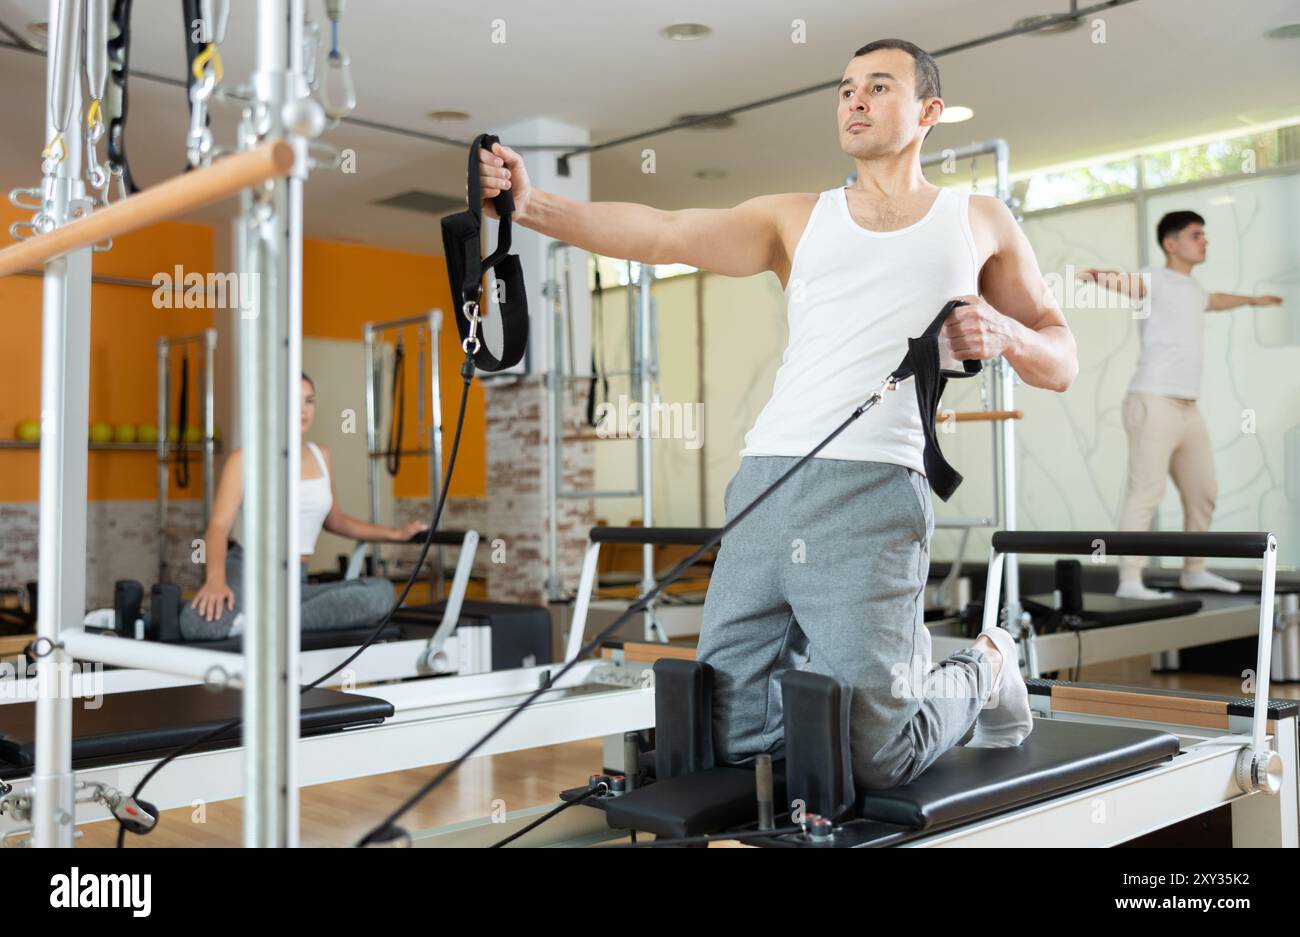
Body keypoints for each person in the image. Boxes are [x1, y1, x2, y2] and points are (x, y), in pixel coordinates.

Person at [477, 39, 1077, 788]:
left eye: (877, 86)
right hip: (765, 483)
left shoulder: (977, 219)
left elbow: (1062, 356)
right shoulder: (796, 217)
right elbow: (662, 232)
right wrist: (531, 207)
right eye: (845, 88)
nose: (853, 99)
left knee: (877, 756)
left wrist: (1007, 331)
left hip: (874, 490)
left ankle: (987, 662)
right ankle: (852, 694)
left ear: (928, 112)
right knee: (728, 734)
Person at [1077, 213, 1283, 600]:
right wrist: (1097, 275)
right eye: (1196, 235)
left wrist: (1253, 300)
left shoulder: (1192, 288)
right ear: (1171, 244)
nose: (1204, 241)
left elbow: (1217, 300)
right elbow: (1128, 283)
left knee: (1203, 490)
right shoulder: (1154, 279)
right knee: (1146, 492)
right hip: (1153, 401)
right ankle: (1130, 579)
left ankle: (1194, 570)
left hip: (1189, 408)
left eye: (1204, 235)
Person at [181, 373, 425, 640]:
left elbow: (336, 520)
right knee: (197, 623)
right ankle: (272, 624)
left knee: (381, 593)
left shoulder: (322, 455)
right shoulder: (245, 458)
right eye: (294, 400)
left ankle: (263, 627)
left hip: (296, 583)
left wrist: (396, 534)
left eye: (309, 400)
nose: (303, 409)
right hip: (250, 574)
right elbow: (218, 526)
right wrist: (215, 579)